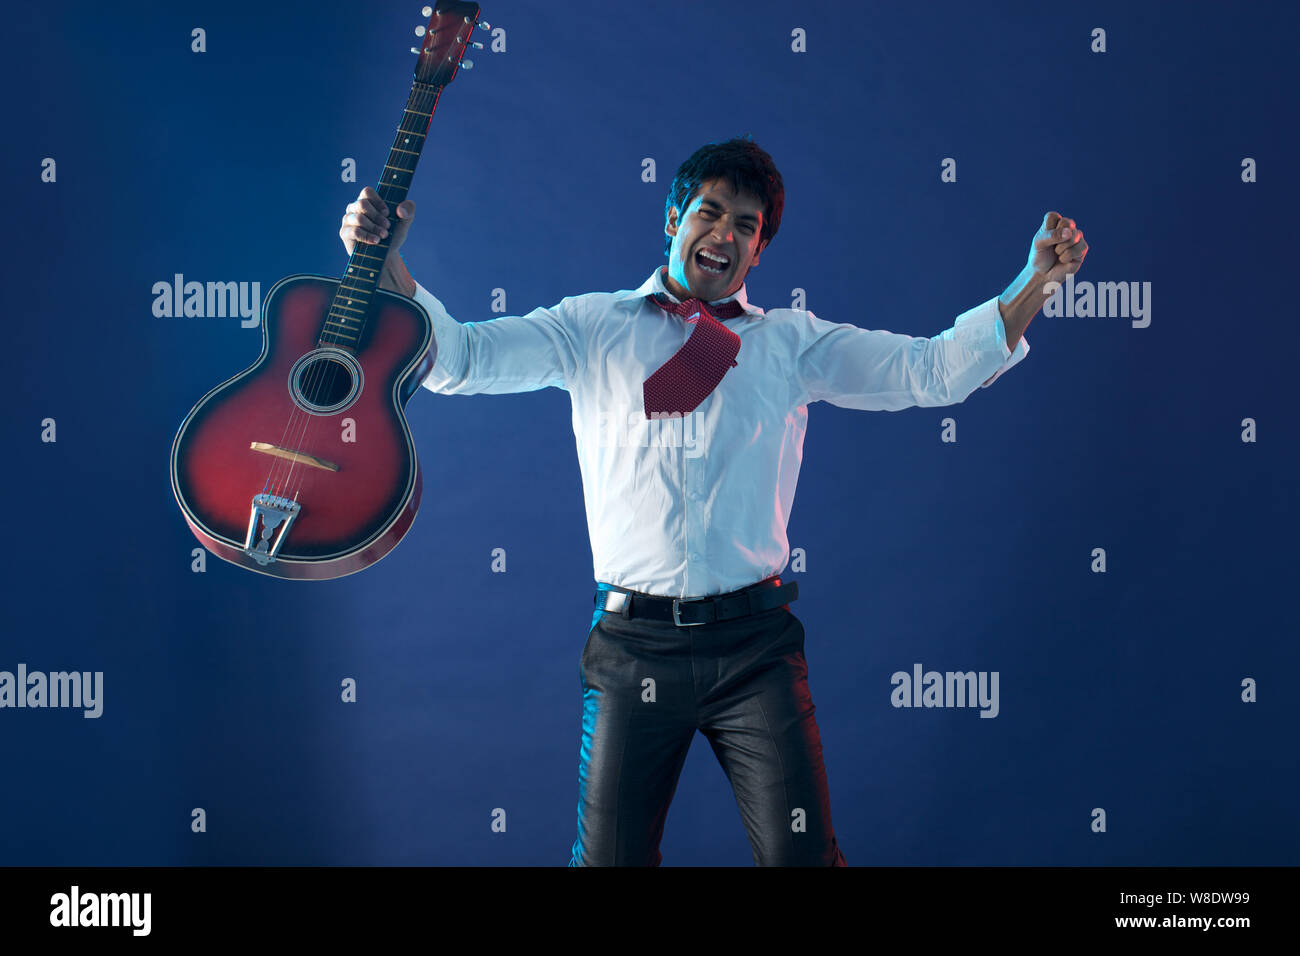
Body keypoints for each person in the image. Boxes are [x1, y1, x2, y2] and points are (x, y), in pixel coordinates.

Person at [338, 136, 1088, 866]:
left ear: (759, 251)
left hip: (754, 651)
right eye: (709, 211)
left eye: (746, 225)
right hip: (632, 651)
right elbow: (462, 358)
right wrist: (386, 261)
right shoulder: (591, 327)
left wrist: (1037, 283)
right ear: (673, 218)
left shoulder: (791, 343)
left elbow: (931, 372)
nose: (723, 233)